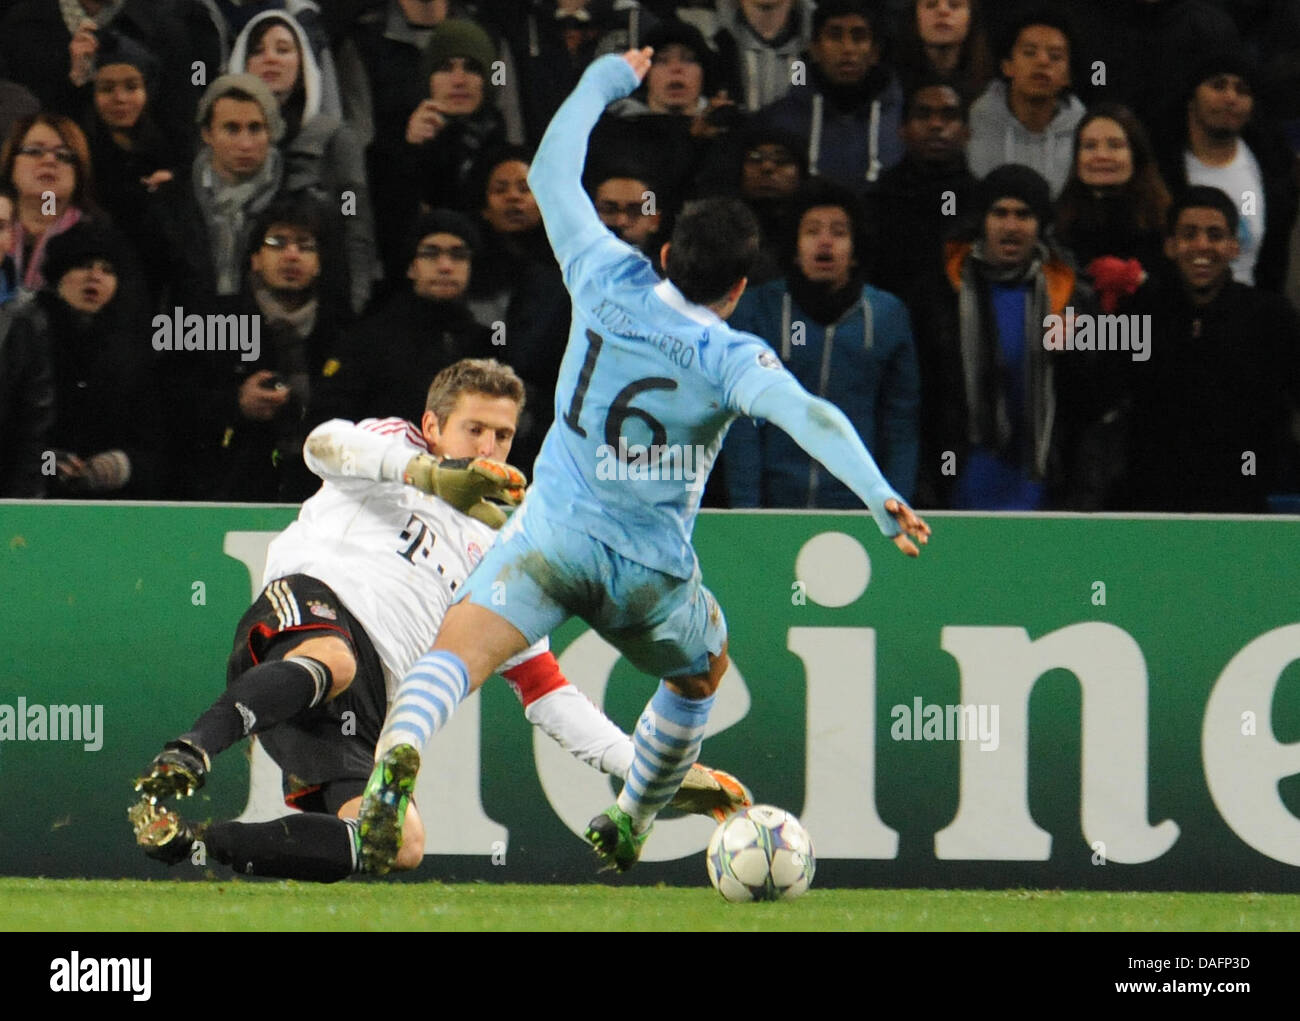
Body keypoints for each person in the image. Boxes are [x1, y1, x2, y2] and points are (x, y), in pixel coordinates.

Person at [357, 48, 930, 875]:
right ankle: (631, 817)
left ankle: (399, 755)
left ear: (664, 253)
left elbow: (553, 166)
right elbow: (809, 415)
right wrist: (878, 495)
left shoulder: (604, 271)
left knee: (457, 652)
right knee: (702, 674)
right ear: (738, 287)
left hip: (549, 537)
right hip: (648, 575)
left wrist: (605, 78)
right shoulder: (734, 354)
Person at [130, 357, 751, 882]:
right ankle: (189, 752)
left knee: (397, 845)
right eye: (473, 429)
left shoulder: (511, 549)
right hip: (306, 610)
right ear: (433, 425)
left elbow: (547, 693)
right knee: (335, 659)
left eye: (502, 436)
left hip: (371, 699)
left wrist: (650, 771)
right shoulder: (398, 447)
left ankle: (191, 842)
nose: (488, 448)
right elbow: (324, 444)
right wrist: (430, 474)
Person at [725, 177, 920, 508]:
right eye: (812, 231)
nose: (825, 242)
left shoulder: (887, 315)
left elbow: (900, 424)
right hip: (775, 506)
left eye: (839, 233)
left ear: (856, 250)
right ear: (795, 247)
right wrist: (748, 508)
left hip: (859, 509)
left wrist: (894, 504)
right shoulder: (756, 310)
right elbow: (741, 423)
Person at [909, 164, 1094, 510]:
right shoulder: (939, 292)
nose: (1011, 226)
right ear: (982, 219)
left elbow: (1090, 401)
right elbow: (921, 395)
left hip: (1039, 476)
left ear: (1041, 225)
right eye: (1000, 213)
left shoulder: (1071, 296)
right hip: (962, 470)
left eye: (1024, 215)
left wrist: (1078, 351)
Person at [1117, 186, 1300, 513]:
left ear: (1233, 246)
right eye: (1189, 234)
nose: (1202, 246)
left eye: (1215, 235)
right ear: (1170, 246)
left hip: (1243, 504)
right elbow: (1099, 393)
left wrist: (1263, 469)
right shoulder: (1137, 314)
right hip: (1151, 506)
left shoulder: (1272, 317)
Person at [1155, 52, 1299, 294]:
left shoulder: (1270, 168)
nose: (1231, 97)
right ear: (1191, 99)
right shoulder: (1161, 168)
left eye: (1242, 90)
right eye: (1218, 85)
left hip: (1251, 313)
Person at [759, 0, 904, 193]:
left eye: (858, 37)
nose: (848, 48)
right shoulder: (778, 119)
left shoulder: (904, 116)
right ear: (815, 49)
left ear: (875, 52)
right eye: (835, 36)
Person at [965, 5, 1084, 199]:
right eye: (1029, 52)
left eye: (1055, 56)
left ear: (1068, 76)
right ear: (1007, 66)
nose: (1043, 62)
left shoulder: (1083, 133)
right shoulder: (976, 122)